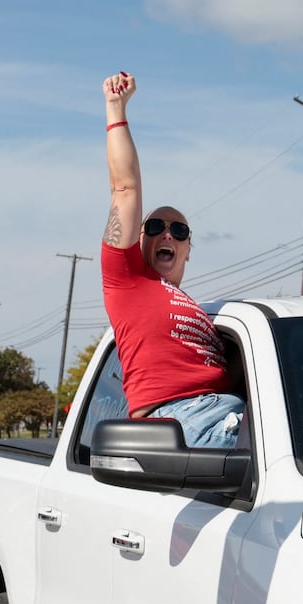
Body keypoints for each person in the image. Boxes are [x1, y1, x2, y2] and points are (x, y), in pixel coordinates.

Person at [99, 71, 242, 448]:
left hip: (228, 412)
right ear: (138, 239)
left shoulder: (202, 312)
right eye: (155, 227)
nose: (167, 234)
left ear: (188, 249)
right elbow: (125, 188)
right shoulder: (128, 282)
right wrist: (116, 109)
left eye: (178, 230)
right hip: (182, 420)